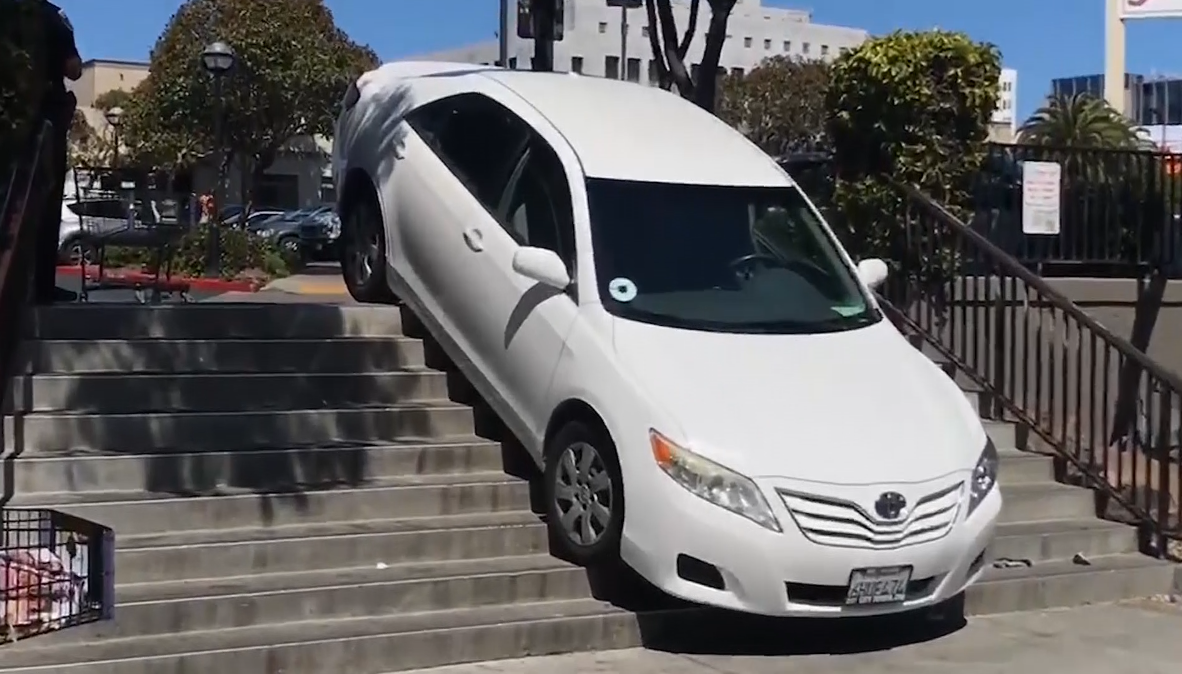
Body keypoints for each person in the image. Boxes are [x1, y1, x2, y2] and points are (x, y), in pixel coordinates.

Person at [31, 0, 82, 304]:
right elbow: (73, 68)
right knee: (46, 204)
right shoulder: (53, 16)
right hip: (46, 116)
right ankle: (41, 286)